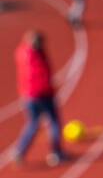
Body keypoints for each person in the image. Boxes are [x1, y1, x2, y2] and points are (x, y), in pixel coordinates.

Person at [12, 30, 68, 168]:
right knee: (54, 122)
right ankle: (56, 153)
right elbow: (42, 77)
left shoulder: (22, 52)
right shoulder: (38, 57)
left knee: (33, 124)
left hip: (28, 95)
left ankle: (19, 151)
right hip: (42, 95)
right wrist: (50, 88)